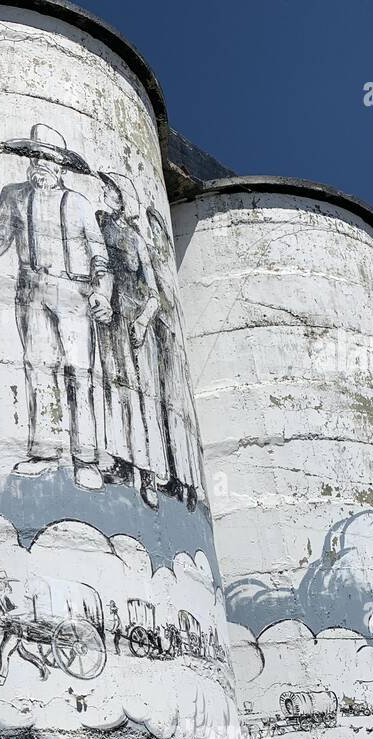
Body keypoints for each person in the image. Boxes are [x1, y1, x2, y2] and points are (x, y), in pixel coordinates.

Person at [0, 124, 113, 490]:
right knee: (38, 368)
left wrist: (102, 292)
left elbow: (99, 255)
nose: (40, 164)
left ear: (61, 166)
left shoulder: (78, 204)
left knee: (80, 373)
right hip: (32, 288)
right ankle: (45, 453)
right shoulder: (14, 196)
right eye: (35, 156)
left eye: (47, 158)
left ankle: (85, 458)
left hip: (74, 292)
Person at [96, 172, 165, 508]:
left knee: (140, 400)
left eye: (110, 190)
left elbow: (155, 294)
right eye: (104, 189)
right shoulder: (98, 226)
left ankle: (148, 474)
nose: (104, 194)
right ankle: (121, 463)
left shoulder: (136, 239)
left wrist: (142, 322)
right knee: (112, 391)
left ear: (121, 198)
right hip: (109, 320)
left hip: (135, 324)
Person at [145, 207, 204, 511]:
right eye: (151, 228)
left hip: (169, 341)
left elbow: (163, 301)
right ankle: (174, 476)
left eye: (155, 228)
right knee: (165, 413)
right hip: (160, 338)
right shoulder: (152, 258)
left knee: (177, 413)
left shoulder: (163, 263)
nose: (152, 233)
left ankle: (189, 481)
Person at [0, 570, 49, 684]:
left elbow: (19, 611)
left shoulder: (7, 597)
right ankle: (43, 667)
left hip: (15, 629)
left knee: (4, 652)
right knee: (23, 653)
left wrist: (9, 616)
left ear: (4, 583)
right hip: (9, 629)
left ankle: (1, 677)